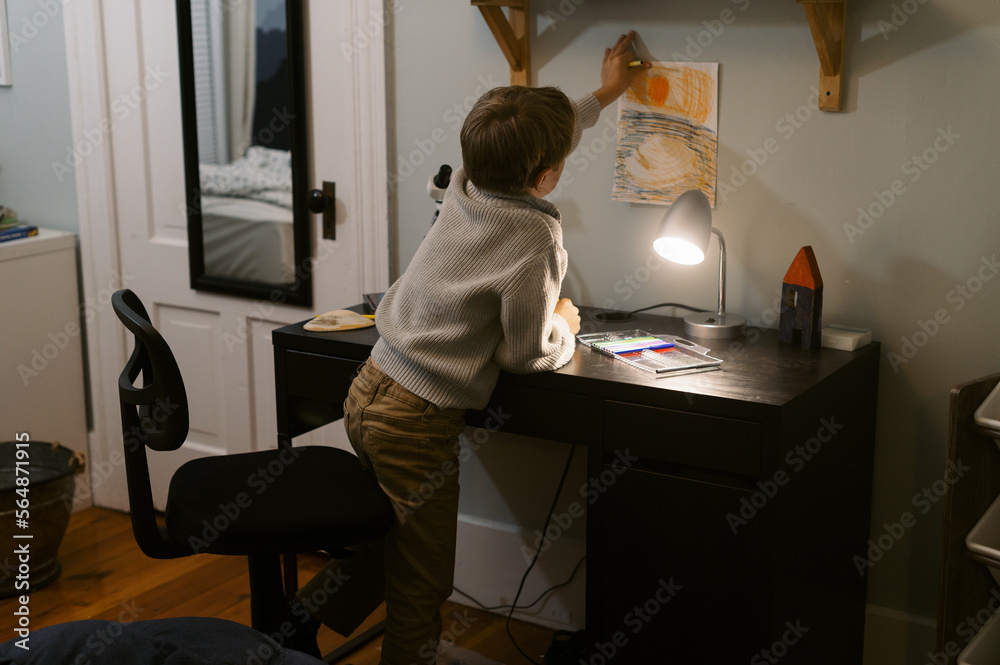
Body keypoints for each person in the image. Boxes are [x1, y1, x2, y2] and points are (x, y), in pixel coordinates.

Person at [290, 31, 649, 665]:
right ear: (546, 175)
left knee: (388, 536)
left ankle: (296, 627)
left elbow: (547, 130)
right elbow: (524, 355)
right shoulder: (534, 236)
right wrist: (563, 323)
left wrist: (607, 92)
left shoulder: (464, 183)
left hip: (368, 388)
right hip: (416, 422)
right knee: (421, 585)